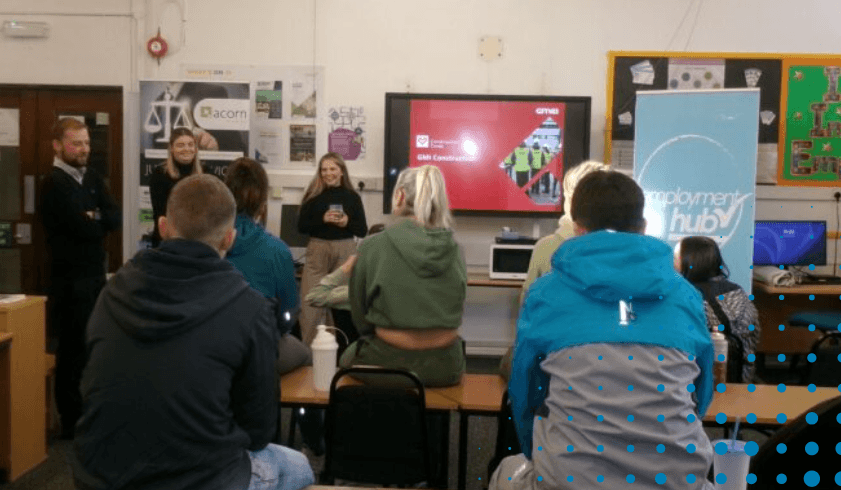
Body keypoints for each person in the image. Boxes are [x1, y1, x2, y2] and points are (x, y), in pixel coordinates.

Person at [72, 175, 314, 490]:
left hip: (98, 475)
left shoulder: (113, 290)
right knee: (299, 466)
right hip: (201, 478)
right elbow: (259, 431)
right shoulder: (249, 307)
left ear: (163, 227)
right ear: (229, 239)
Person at [491, 171, 714, 490]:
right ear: (644, 227)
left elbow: (525, 395)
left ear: (578, 230)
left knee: (506, 471)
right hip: (676, 482)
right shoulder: (685, 295)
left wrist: (535, 453)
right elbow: (700, 395)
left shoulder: (546, 294)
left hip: (570, 482)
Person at [341, 165, 467, 387]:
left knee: (346, 357)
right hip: (446, 366)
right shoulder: (455, 249)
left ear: (399, 196)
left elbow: (360, 316)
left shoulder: (373, 246)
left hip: (386, 361)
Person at [40, 117, 121, 439]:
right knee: (72, 353)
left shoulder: (92, 177)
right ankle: (72, 422)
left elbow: (112, 217)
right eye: (77, 143)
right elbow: (81, 228)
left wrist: (94, 215)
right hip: (68, 283)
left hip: (93, 278)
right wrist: (92, 218)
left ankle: (89, 413)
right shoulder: (54, 183)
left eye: (87, 143)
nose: (84, 149)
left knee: (93, 349)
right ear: (58, 146)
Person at [498, 160, 608, 381]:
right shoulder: (622, 252)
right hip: (608, 366)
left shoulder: (546, 248)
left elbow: (526, 311)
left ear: (570, 200)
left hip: (551, 363)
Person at [225, 157, 311, 375]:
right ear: (262, 200)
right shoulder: (278, 251)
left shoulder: (205, 242)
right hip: (259, 348)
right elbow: (288, 315)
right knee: (308, 357)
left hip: (212, 346)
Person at [297, 152, 368, 345]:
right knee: (310, 303)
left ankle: (342, 356)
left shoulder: (352, 197)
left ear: (342, 171)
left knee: (342, 308)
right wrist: (322, 219)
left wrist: (346, 222)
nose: (328, 173)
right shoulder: (313, 195)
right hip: (318, 249)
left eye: (332, 169)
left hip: (344, 250)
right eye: (324, 169)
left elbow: (362, 230)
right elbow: (301, 227)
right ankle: (307, 358)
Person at [676, 236, 760, 383]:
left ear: (689, 262)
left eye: (676, 257)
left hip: (694, 386)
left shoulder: (684, 297)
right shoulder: (738, 294)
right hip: (740, 381)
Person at [304, 223, 385, 357]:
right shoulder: (397, 292)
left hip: (353, 360)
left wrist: (345, 268)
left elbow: (313, 296)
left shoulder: (351, 293)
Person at [149, 127, 204, 247]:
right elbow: (160, 214)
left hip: (199, 242)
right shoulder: (159, 175)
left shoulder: (206, 175)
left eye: (190, 145)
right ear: (171, 149)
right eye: (180, 145)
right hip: (168, 242)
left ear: (195, 149)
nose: (186, 149)